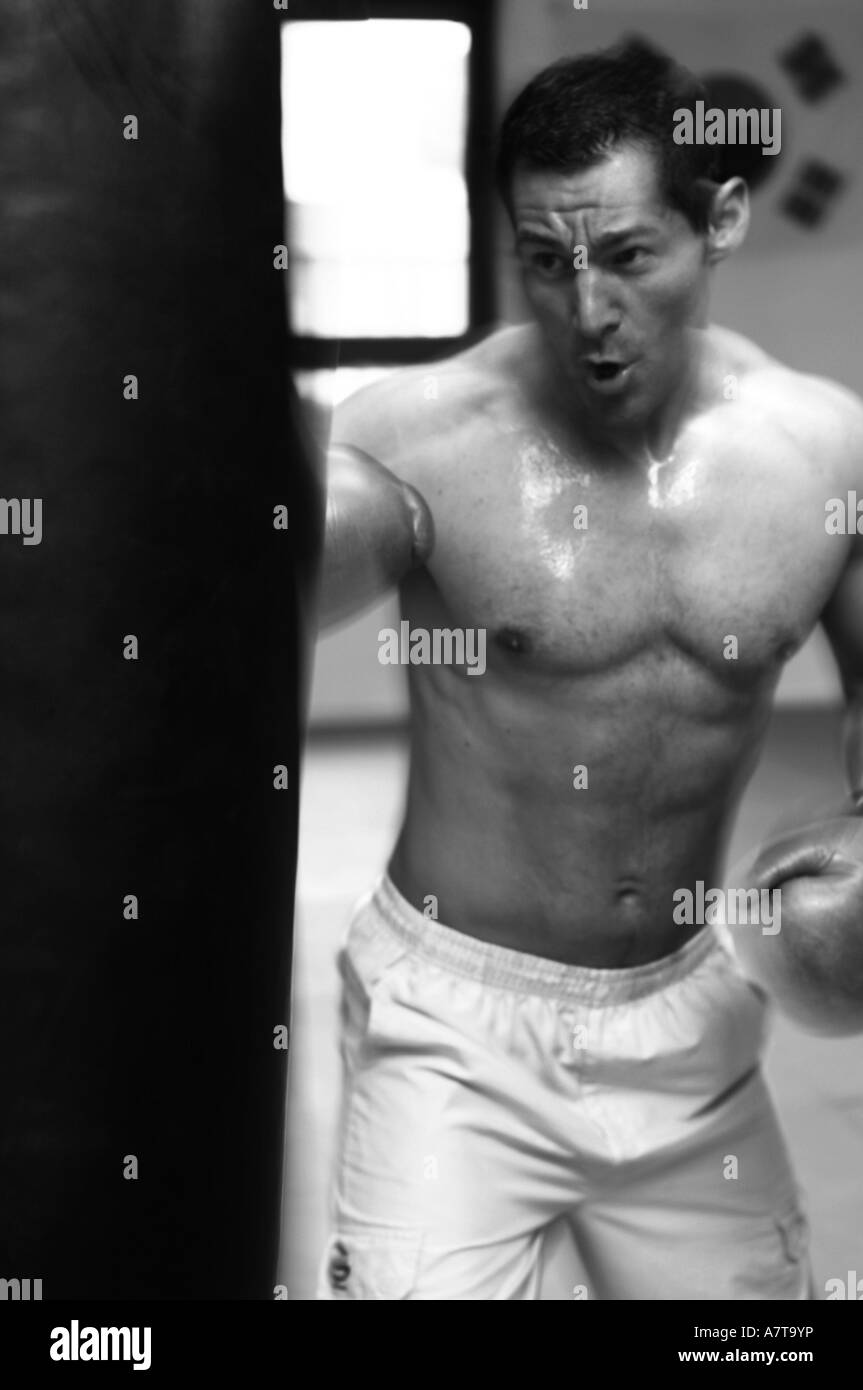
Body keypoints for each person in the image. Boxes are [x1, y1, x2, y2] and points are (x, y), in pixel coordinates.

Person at [314, 38, 863, 1300]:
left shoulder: (823, 455)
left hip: (690, 1027)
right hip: (451, 1034)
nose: (585, 309)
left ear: (718, 221)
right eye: (543, 261)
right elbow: (224, 610)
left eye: (624, 256)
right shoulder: (417, 440)